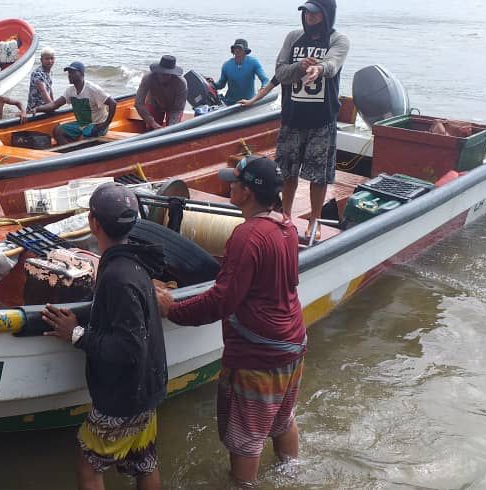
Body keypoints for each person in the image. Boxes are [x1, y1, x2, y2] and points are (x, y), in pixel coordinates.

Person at [155, 155, 306, 487]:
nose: (229, 186)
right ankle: (293, 476)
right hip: (292, 344)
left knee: (246, 439)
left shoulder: (246, 236)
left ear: (248, 192)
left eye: (234, 182)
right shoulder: (287, 226)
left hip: (258, 357)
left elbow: (221, 301)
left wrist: (171, 308)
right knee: (282, 420)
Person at [42, 183, 166, 490]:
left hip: (122, 397)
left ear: (93, 223)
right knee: (143, 460)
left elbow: (129, 348)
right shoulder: (135, 263)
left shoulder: (117, 277)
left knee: (89, 466)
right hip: (146, 391)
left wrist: (76, 334)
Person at [272, 0, 349, 240]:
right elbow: (280, 73)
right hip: (292, 118)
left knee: (319, 176)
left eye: (315, 14)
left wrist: (319, 69)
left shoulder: (338, 40)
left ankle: (314, 221)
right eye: (306, 13)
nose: (309, 18)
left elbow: (333, 64)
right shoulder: (293, 37)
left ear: (326, 15)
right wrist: (299, 67)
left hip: (322, 120)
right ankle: (286, 216)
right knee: (287, 172)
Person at [33, 61, 117, 144]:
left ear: (81, 74)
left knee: (87, 133)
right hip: (82, 124)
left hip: (97, 124)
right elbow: (54, 105)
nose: (69, 75)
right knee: (58, 130)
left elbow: (112, 103)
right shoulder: (70, 91)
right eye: (69, 73)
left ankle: (80, 153)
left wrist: (106, 124)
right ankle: (68, 153)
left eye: (72, 72)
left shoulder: (93, 89)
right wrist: (37, 109)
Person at [208, 39, 270, 106]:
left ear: (245, 51)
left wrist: (263, 89)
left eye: (240, 48)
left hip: (248, 102)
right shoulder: (226, 65)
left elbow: (265, 80)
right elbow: (221, 85)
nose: (237, 50)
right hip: (230, 103)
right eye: (235, 48)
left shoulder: (253, 62)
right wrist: (211, 84)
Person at [135, 55, 188, 130]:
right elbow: (138, 103)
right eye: (162, 73)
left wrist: (171, 127)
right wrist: (152, 122)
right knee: (151, 129)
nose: (164, 77)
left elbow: (178, 109)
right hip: (154, 102)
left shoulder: (181, 83)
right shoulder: (148, 78)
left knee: (173, 130)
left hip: (173, 107)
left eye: (167, 74)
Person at [27, 47, 56, 111]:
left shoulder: (49, 72)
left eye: (52, 58)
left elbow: (50, 91)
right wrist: (53, 107)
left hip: (45, 107)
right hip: (35, 110)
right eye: (47, 59)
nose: (50, 61)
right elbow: (43, 91)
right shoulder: (38, 74)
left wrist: (54, 105)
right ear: (41, 60)